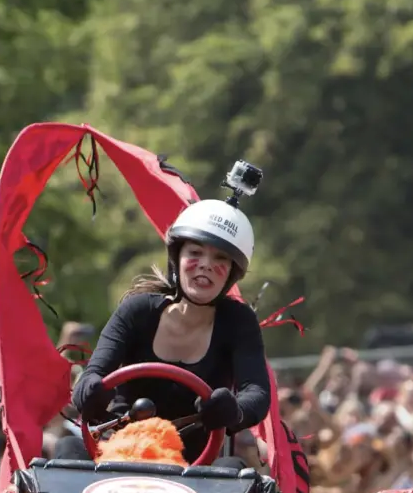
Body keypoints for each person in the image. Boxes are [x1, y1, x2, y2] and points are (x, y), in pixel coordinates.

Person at [58, 196, 273, 463]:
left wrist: (234, 410)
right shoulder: (136, 310)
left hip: (196, 470)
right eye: (195, 252)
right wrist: (89, 391)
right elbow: (93, 375)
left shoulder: (239, 322)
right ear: (177, 257)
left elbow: (258, 393)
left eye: (219, 257)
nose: (205, 264)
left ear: (231, 272)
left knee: (236, 469)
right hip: (120, 456)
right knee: (67, 450)